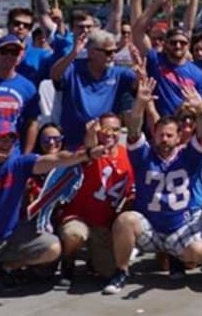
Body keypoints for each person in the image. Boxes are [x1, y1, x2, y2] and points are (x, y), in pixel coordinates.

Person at [104, 75, 202, 295]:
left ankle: (176, 258)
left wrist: (201, 111)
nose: (164, 139)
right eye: (160, 135)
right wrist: (140, 104)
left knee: (200, 250)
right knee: (125, 220)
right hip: (151, 227)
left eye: (169, 135)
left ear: (178, 138)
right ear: (154, 136)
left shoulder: (189, 156)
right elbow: (135, 130)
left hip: (179, 227)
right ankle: (121, 271)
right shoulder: (143, 155)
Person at [0, 117, 106, 302]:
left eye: (10, 139)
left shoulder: (19, 164)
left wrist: (85, 154)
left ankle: (4, 267)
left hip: (10, 237)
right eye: (0, 139)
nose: (5, 144)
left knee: (52, 248)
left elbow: (56, 158)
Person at [56, 115, 134, 285]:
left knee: (108, 272)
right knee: (74, 234)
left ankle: (93, 257)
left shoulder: (126, 154)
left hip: (103, 223)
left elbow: (129, 191)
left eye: (115, 130)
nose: (110, 134)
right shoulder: (91, 151)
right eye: (105, 129)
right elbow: (89, 151)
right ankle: (67, 262)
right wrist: (91, 135)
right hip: (79, 216)